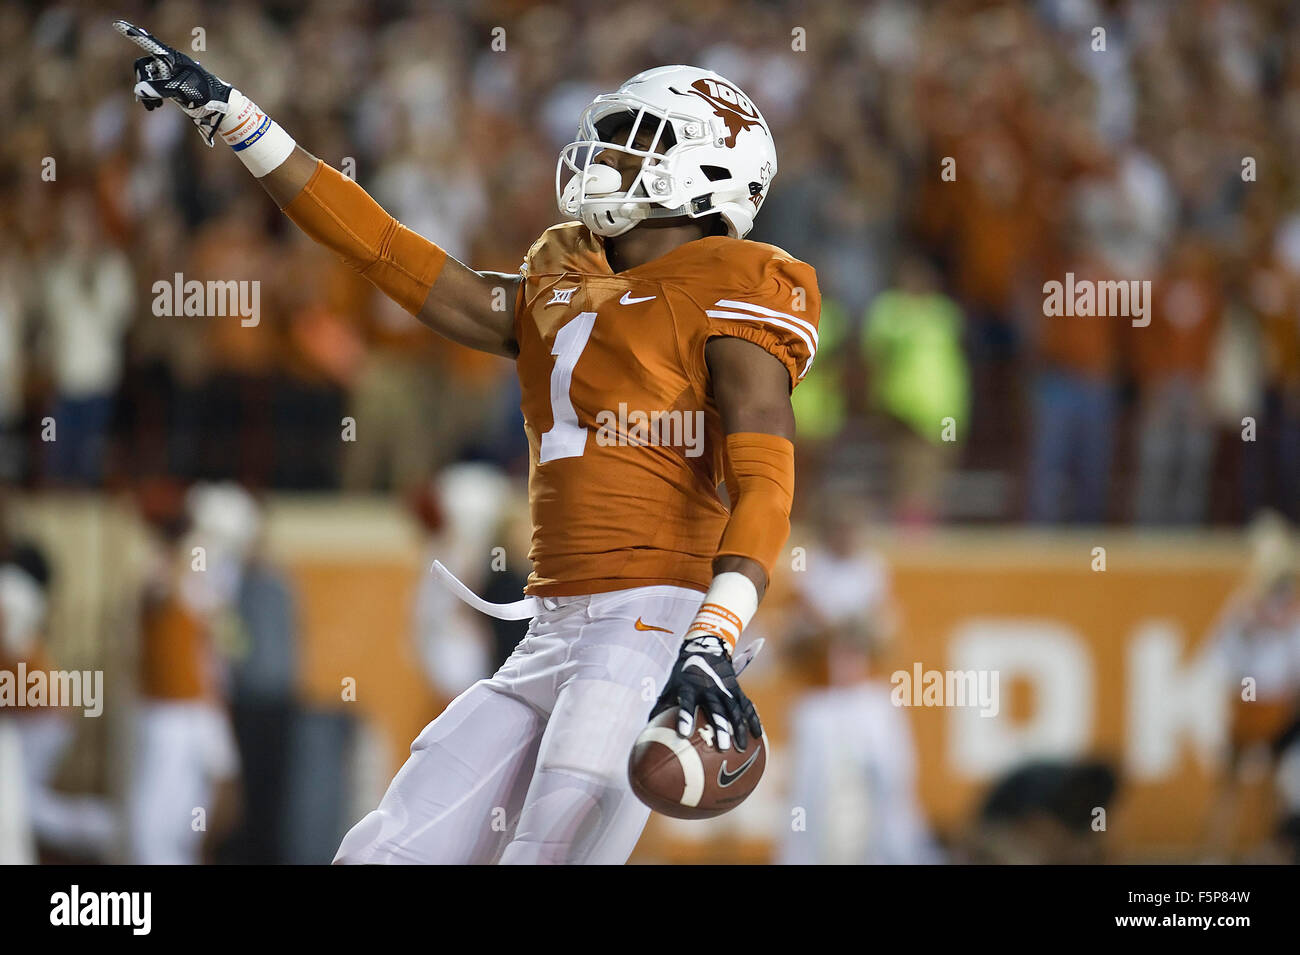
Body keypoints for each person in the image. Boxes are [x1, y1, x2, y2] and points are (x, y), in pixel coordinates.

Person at [115, 22, 819, 864]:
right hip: (550, 625)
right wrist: (242, 123)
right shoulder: (563, 277)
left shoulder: (736, 282)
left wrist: (713, 635)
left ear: (710, 168)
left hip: (653, 618)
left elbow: (767, 483)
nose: (606, 151)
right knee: (380, 852)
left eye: (639, 138)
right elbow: (385, 252)